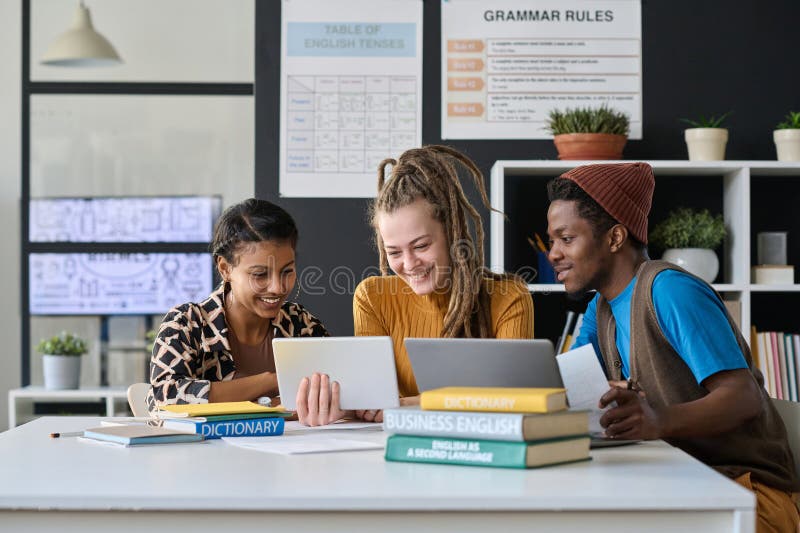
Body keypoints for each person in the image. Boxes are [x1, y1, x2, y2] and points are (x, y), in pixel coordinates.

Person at [546, 162, 799, 531]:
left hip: (748, 495)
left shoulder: (669, 290)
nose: (553, 252)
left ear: (615, 238)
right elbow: (567, 384)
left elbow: (744, 397)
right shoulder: (599, 308)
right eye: (552, 240)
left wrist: (657, 421)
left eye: (566, 239)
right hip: (681, 484)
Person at [297, 145, 534, 426]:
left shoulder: (508, 297)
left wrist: (412, 404)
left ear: (451, 232)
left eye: (421, 245)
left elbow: (515, 399)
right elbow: (375, 401)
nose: (409, 264)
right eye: (394, 252)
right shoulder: (373, 298)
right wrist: (341, 407)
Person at [147, 198, 328, 413]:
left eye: (287, 271)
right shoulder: (187, 324)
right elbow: (165, 399)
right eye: (260, 275)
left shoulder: (300, 324)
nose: (278, 287)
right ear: (225, 268)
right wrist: (271, 382)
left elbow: (338, 386)